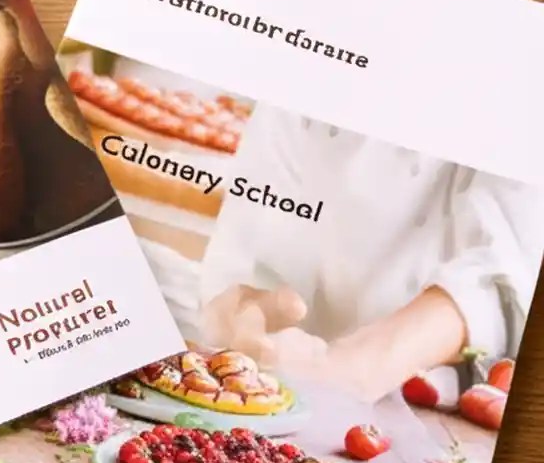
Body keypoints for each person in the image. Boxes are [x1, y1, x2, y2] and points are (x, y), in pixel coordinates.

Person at [179, 106, 544, 402]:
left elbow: (501, 276)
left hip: (421, 396)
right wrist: (243, 308)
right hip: (275, 382)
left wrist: (359, 365)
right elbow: (250, 231)